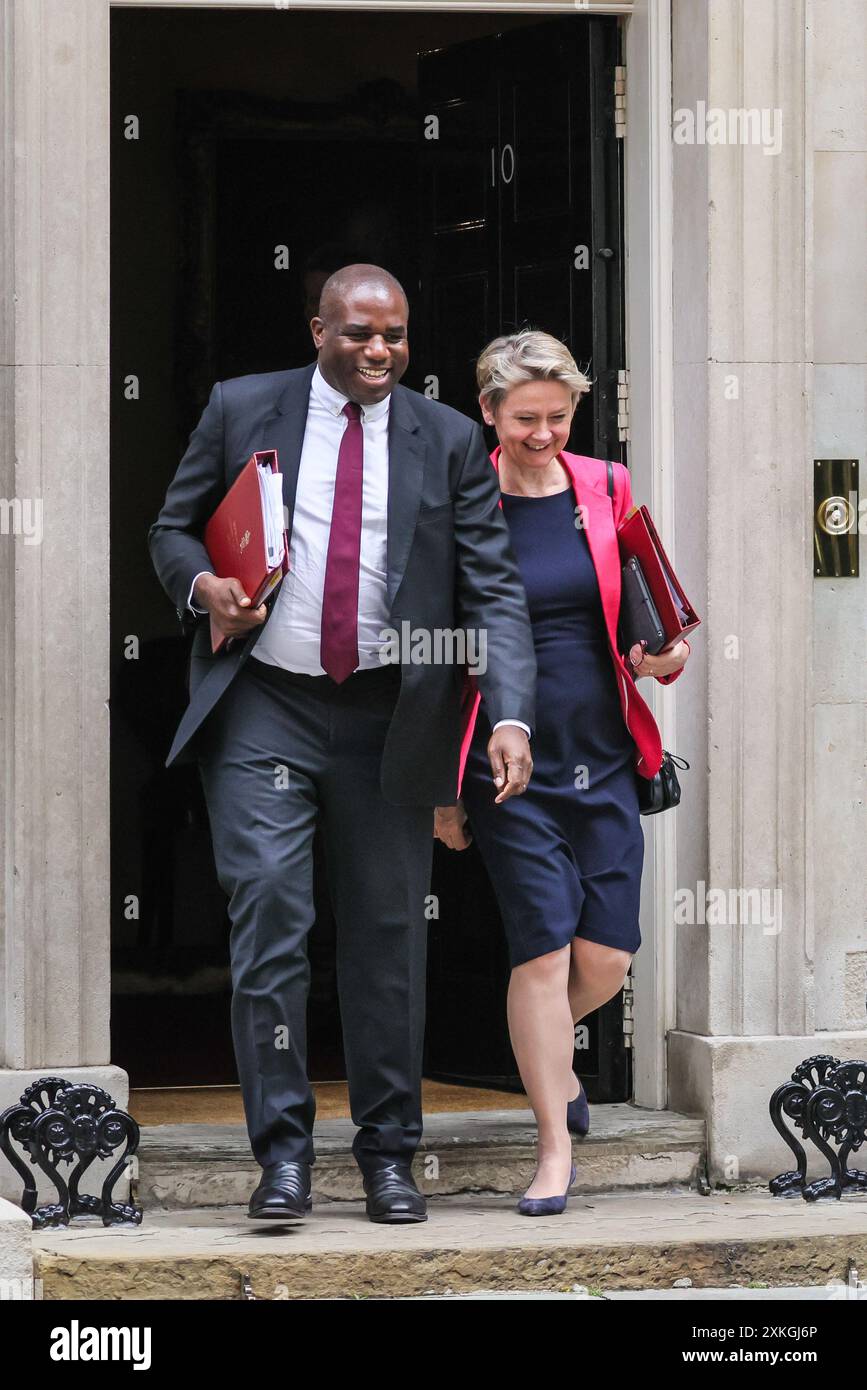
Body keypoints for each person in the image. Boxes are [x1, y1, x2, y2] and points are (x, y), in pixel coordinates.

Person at [147, 266, 537, 1224]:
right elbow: (172, 529)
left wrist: (509, 715)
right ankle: (280, 1159)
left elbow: (492, 590)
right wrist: (203, 591)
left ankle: (388, 1157)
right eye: (360, 333)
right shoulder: (242, 408)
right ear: (317, 327)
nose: (379, 352)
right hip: (263, 705)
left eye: (396, 336)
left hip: (388, 717)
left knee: (387, 943)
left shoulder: (446, 439)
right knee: (270, 921)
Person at [434, 329, 690, 1216]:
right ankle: (552, 1150)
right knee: (541, 950)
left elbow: (641, 614)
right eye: (524, 418)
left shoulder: (605, 488)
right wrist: (441, 788)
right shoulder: (465, 502)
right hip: (507, 764)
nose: (543, 433)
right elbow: (439, 652)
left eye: (558, 415)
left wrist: (660, 658)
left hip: (604, 754)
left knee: (607, 959)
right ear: (489, 413)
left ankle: (545, 1052)